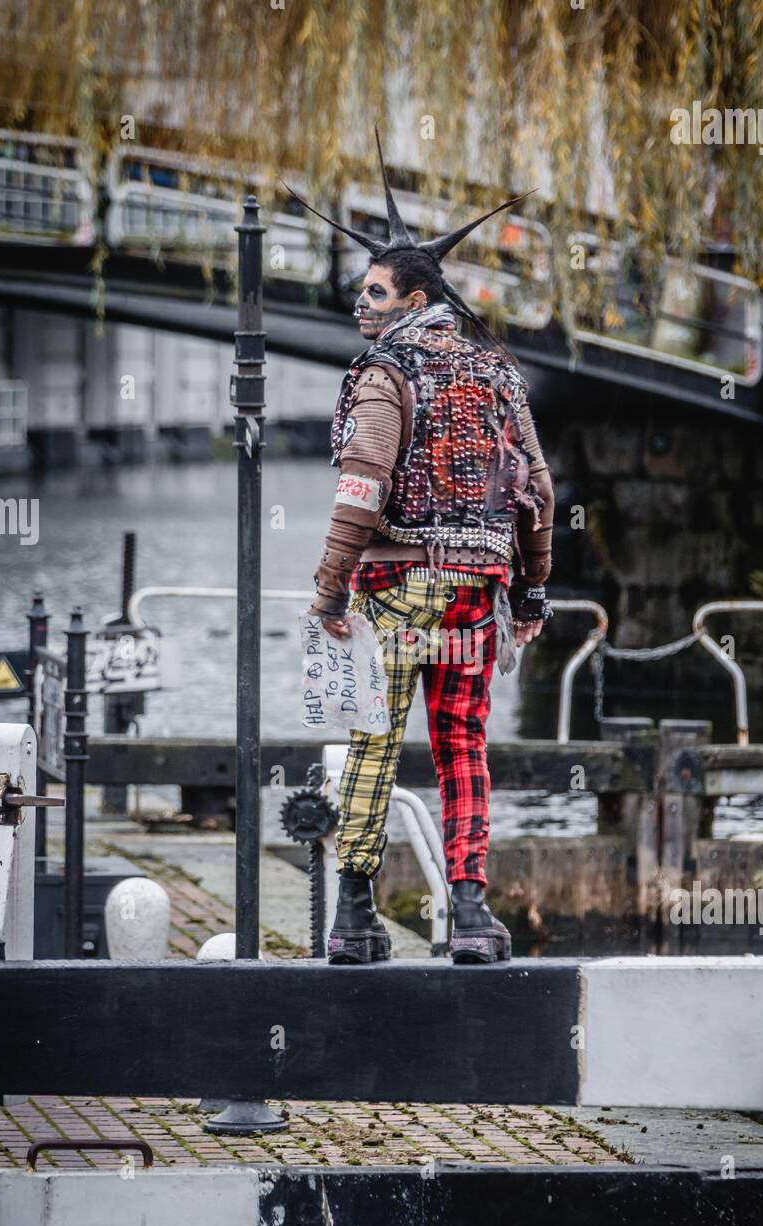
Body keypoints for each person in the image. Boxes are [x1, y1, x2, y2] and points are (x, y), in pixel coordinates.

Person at [287, 132, 555, 964]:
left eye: (372, 292)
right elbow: (538, 492)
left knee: (374, 738)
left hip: (398, 583)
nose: (358, 304)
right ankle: (471, 914)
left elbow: (361, 487)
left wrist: (330, 592)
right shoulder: (499, 373)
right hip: (479, 588)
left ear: (410, 299)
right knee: (463, 743)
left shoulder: (385, 373)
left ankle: (355, 918)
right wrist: (535, 593)